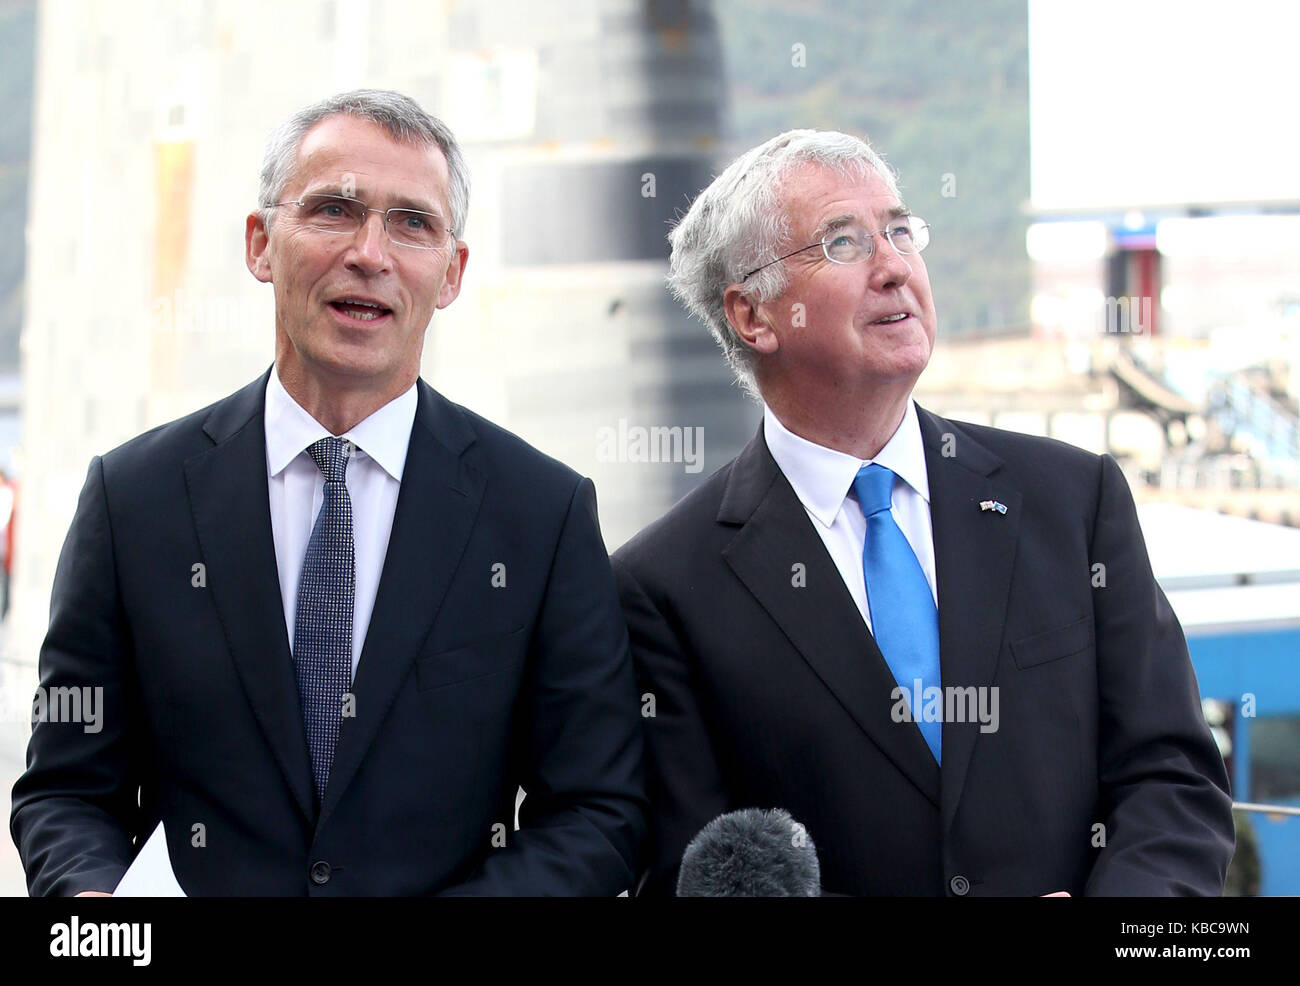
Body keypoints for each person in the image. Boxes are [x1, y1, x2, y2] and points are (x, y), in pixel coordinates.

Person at [11, 90, 645, 896]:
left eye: (412, 223)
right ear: (259, 244)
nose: (370, 253)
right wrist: (100, 912)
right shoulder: (133, 500)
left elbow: (597, 812)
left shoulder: (540, 515)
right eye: (334, 210)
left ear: (451, 273)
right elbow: (67, 791)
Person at [612, 129, 1234, 896]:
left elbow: (1171, 775)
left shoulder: (1074, 500)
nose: (895, 267)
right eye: (843, 242)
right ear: (753, 315)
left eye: (901, 231)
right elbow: (696, 871)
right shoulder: (664, 585)